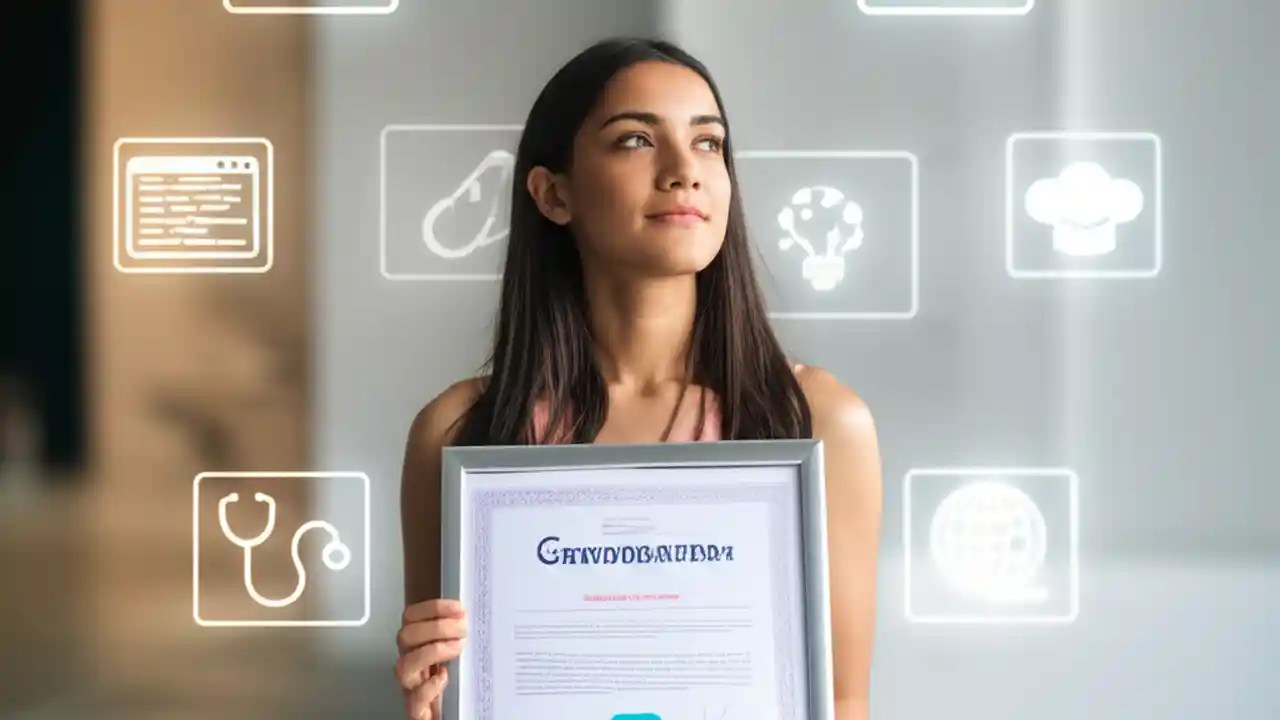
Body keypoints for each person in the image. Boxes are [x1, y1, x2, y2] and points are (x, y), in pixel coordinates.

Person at [396, 36, 884, 720]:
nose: (685, 170)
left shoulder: (824, 421)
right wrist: (427, 708)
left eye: (709, 143)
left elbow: (845, 701)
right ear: (553, 193)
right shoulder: (456, 435)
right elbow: (454, 698)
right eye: (634, 140)